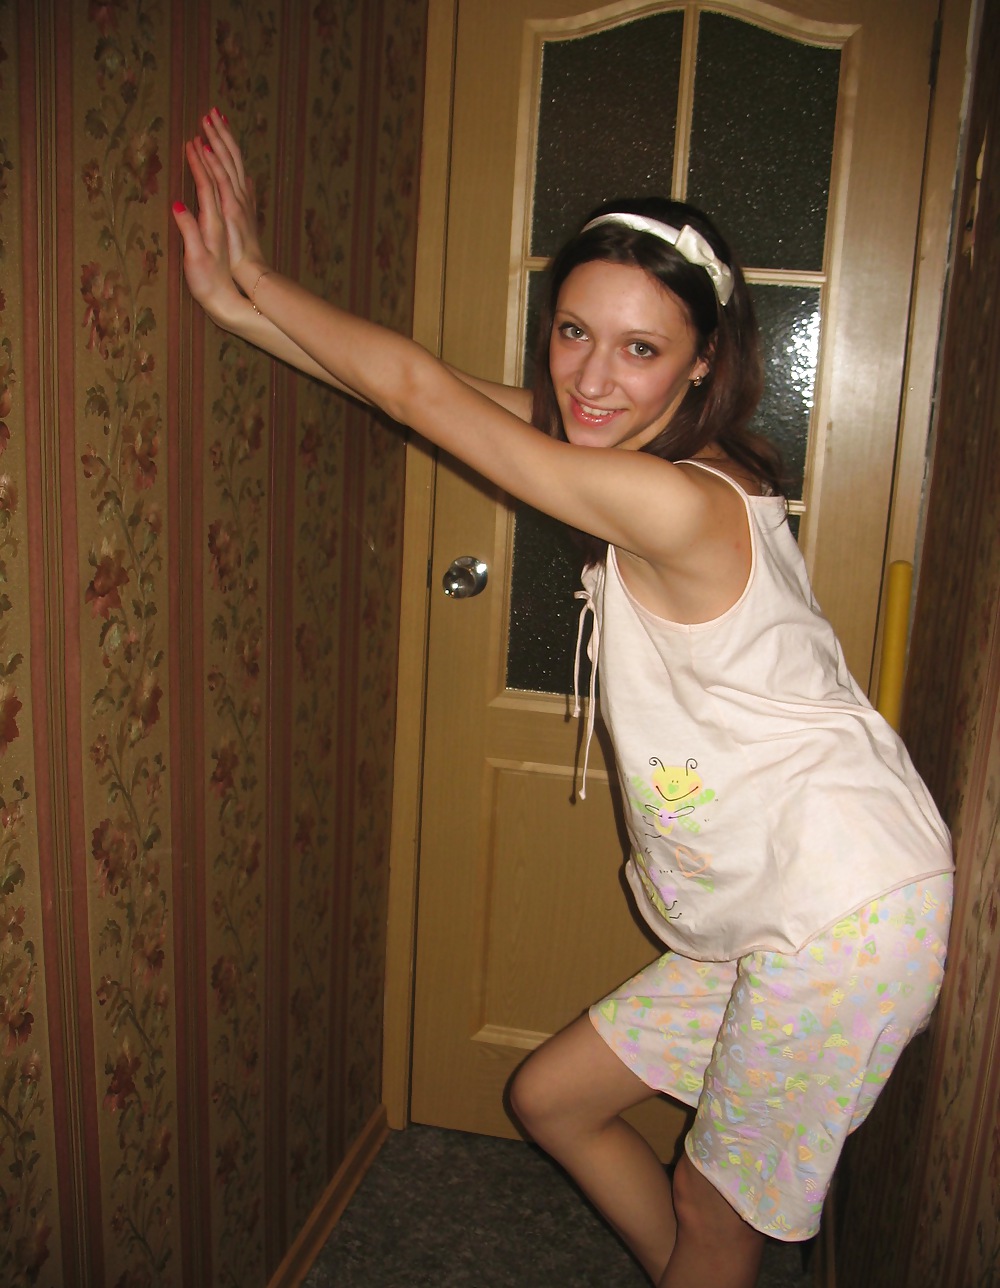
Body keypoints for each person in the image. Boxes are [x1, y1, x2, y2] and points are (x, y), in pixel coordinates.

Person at [174, 108, 954, 1288]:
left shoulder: (674, 501)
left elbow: (423, 394)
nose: (591, 377)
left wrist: (261, 271)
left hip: (841, 911)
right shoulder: (650, 454)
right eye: (574, 331)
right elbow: (428, 395)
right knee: (553, 1097)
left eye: (640, 348)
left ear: (702, 361)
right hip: (779, 896)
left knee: (712, 1210)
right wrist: (240, 312)